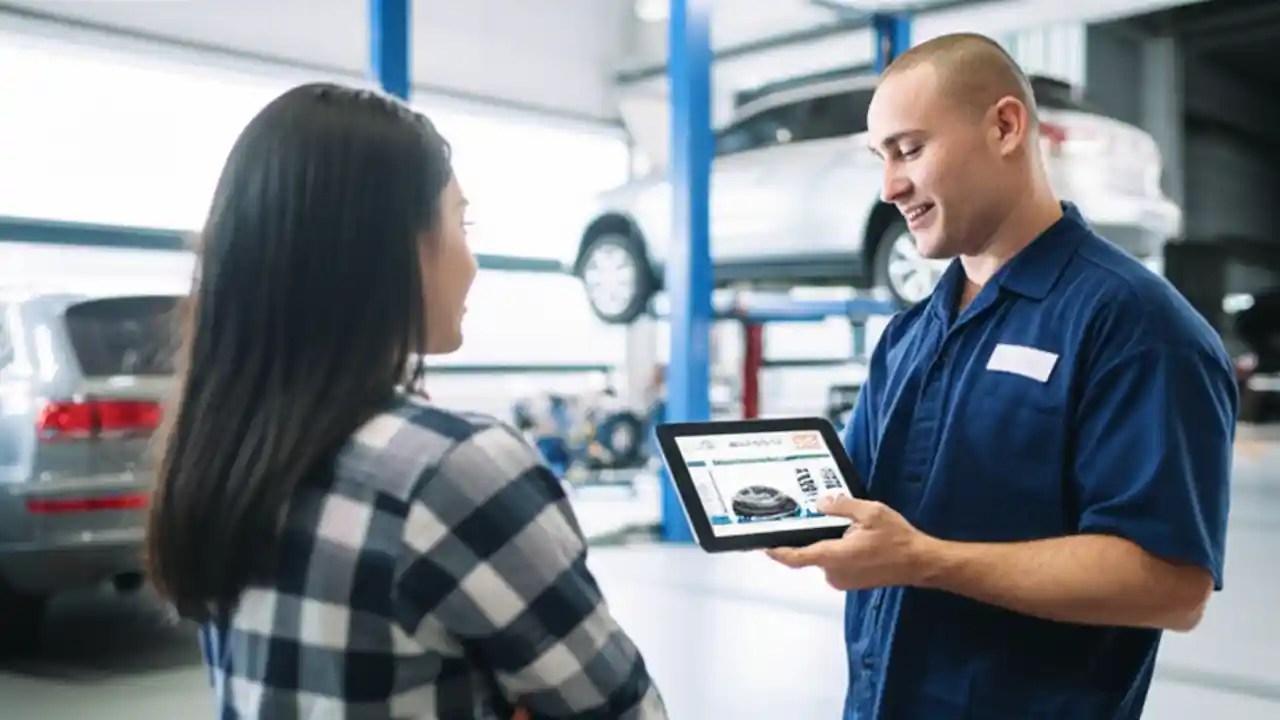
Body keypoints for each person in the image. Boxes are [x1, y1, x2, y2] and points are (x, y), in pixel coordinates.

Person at [144, 83, 667, 719]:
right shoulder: (456, 471)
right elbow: (625, 711)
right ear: (387, 244)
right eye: (461, 222)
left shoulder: (227, 458)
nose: (471, 262)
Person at [766, 33, 1235, 719]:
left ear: (1006, 126)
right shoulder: (907, 334)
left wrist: (926, 559)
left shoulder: (1136, 327)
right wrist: (770, 500)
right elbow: (865, 511)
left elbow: (1169, 584)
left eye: (910, 149)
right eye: (881, 158)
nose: (889, 187)